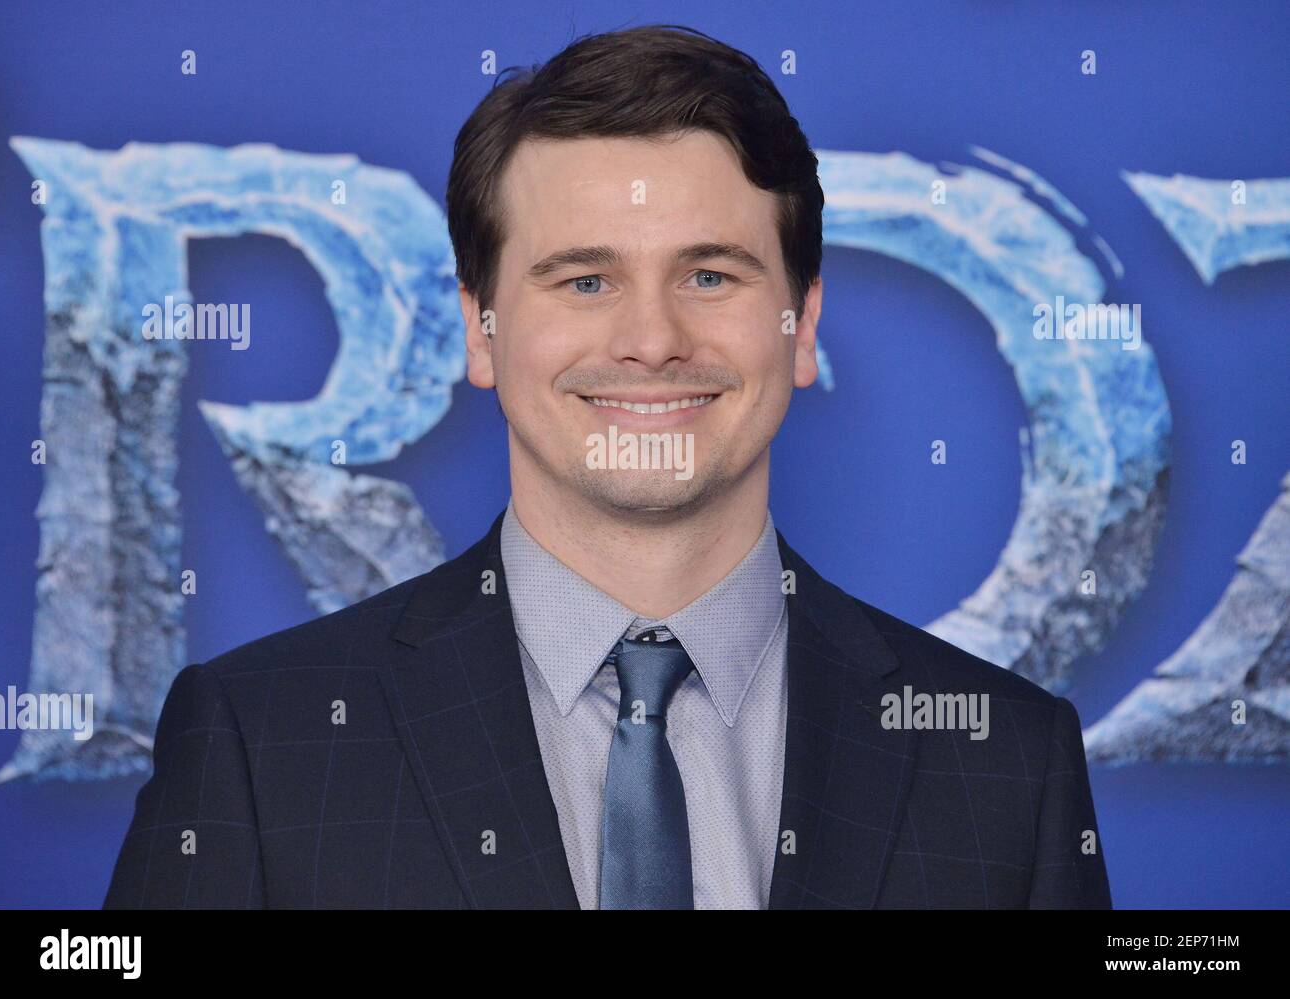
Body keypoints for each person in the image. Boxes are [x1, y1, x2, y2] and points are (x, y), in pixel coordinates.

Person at [104, 23, 1111, 909]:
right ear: (481, 330)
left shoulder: (1006, 763)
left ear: (800, 326)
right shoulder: (259, 743)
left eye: (709, 274)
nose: (651, 339)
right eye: (585, 279)